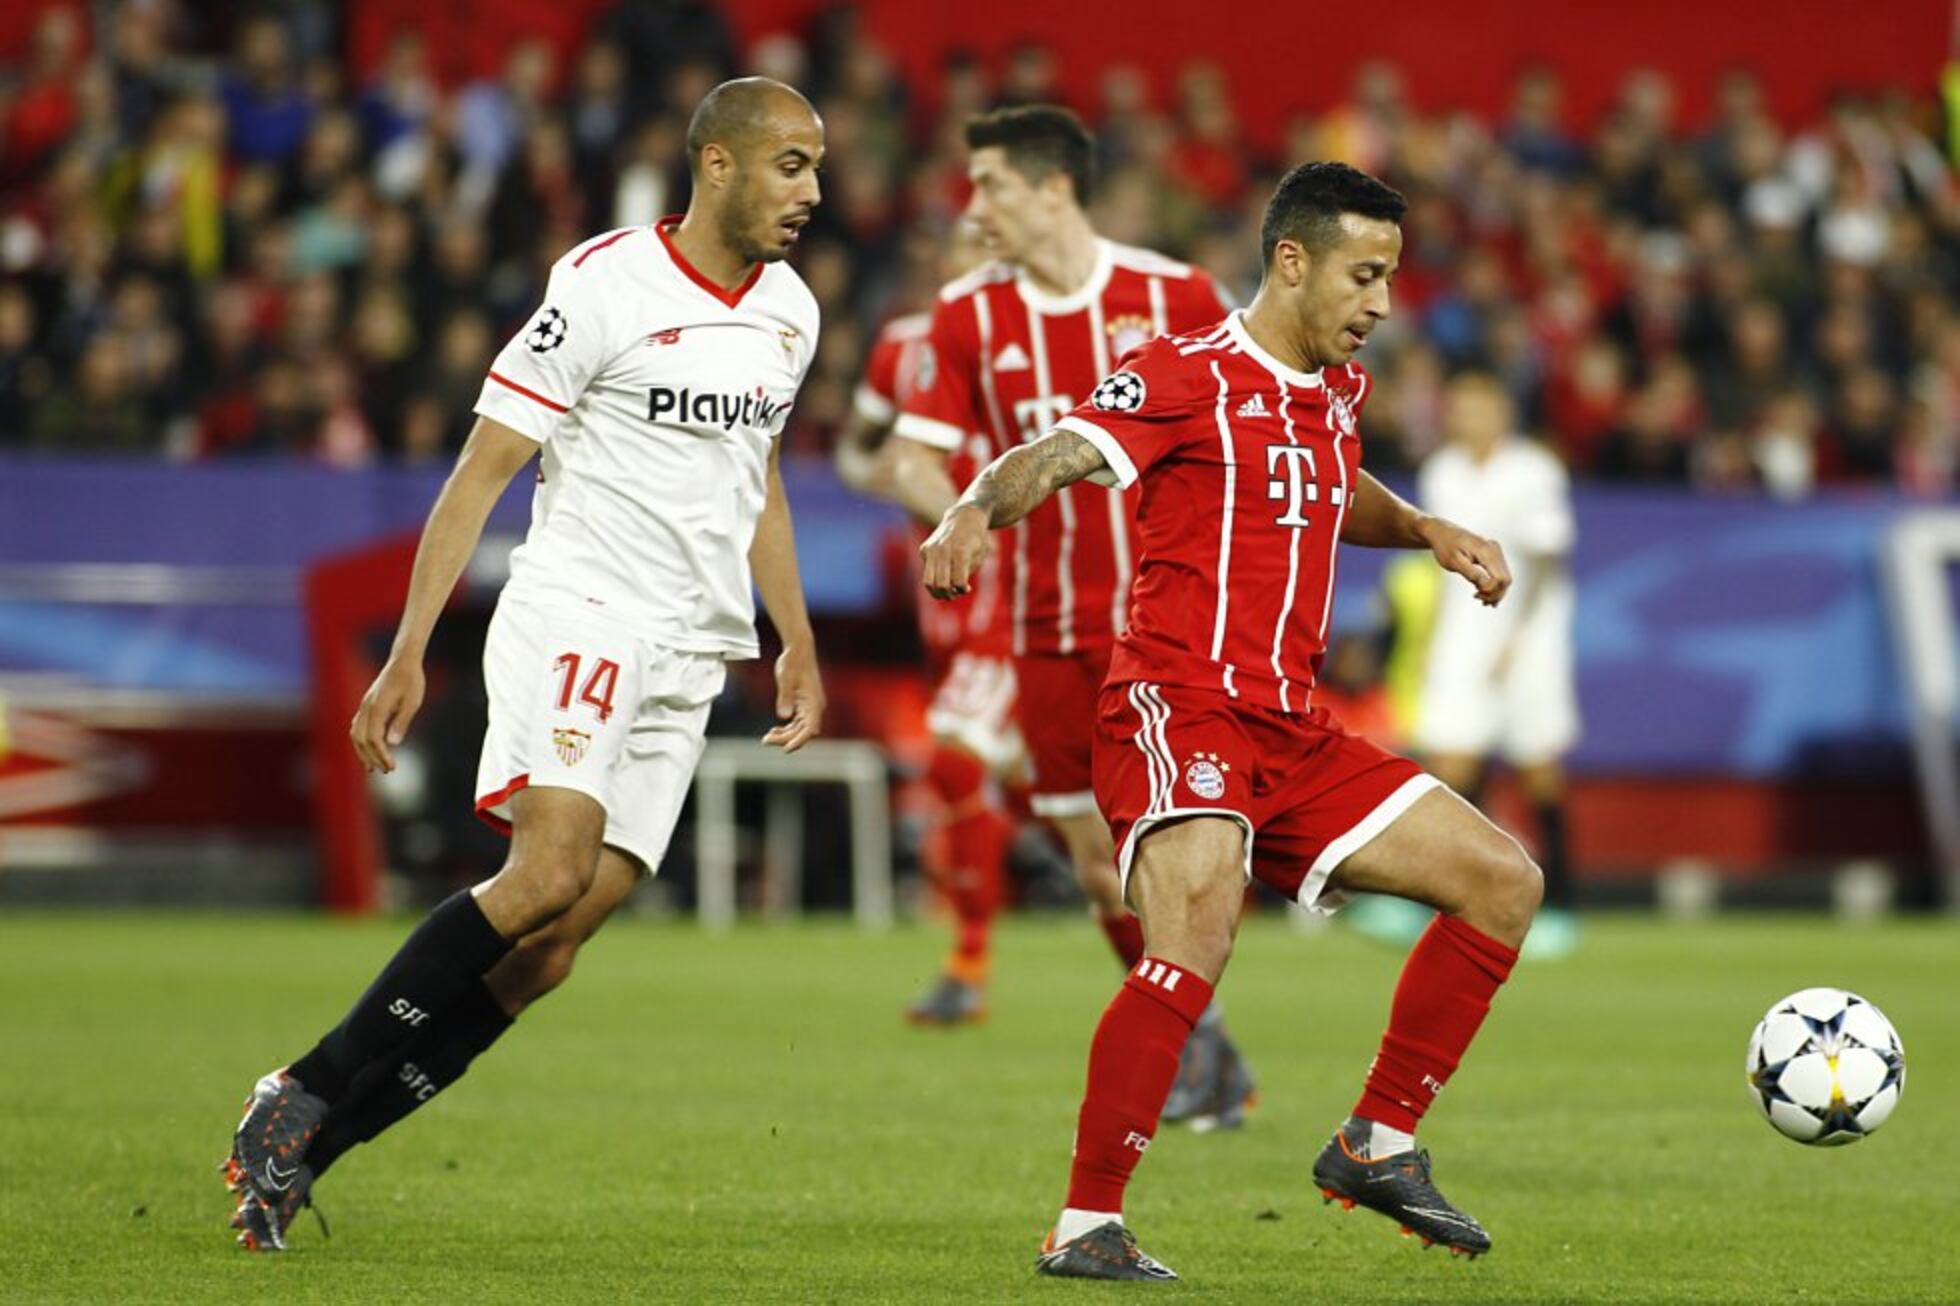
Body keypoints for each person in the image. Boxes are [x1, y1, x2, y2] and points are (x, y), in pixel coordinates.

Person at [222, 77, 828, 1252]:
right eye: (789, 164)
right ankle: (301, 1082)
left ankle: (309, 1147)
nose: (810, 190)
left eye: (813, 167)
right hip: (582, 607)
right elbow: (481, 469)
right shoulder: (603, 285)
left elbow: (757, 477)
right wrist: (406, 653)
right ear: (717, 166)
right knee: (544, 873)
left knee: (552, 949)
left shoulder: (791, 313)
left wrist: (792, 632)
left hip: (691, 647)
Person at [920, 161, 1543, 1281]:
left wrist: (1428, 528)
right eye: (1364, 275)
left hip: (1293, 730)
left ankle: (1377, 1141)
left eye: (1392, 278)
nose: (1382, 303)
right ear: (1291, 261)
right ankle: (1084, 1222)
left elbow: (1335, 483)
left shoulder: (1339, 392)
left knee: (1503, 882)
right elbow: (1054, 453)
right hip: (1177, 701)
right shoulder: (1185, 373)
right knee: (1198, 931)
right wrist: (971, 510)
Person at [891, 104, 1252, 1123]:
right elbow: (912, 457)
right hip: (1047, 628)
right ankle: (1204, 1040)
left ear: (1054, 188)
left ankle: (1190, 1045)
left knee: (1189, 848)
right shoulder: (965, 316)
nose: (973, 208)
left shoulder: (1175, 294)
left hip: (1175, 627)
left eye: (991, 184)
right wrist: (960, 512)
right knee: (1100, 862)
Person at [834, 223, 1024, 1025]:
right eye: (961, 253)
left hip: (1021, 587)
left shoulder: (1037, 342)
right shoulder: (902, 346)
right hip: (941, 587)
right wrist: (885, 478)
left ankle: (968, 960)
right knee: (1054, 794)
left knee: (953, 758)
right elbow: (853, 450)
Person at [1415, 370, 1581, 956]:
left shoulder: (1534, 470)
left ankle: (1561, 902)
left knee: (1538, 768)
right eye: (1457, 406)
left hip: (1530, 639)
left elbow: (1545, 564)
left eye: (1477, 406)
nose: (1465, 417)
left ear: (1502, 410)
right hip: (1464, 636)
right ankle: (1457, 893)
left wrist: (1519, 640)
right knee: (1450, 765)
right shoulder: (1442, 472)